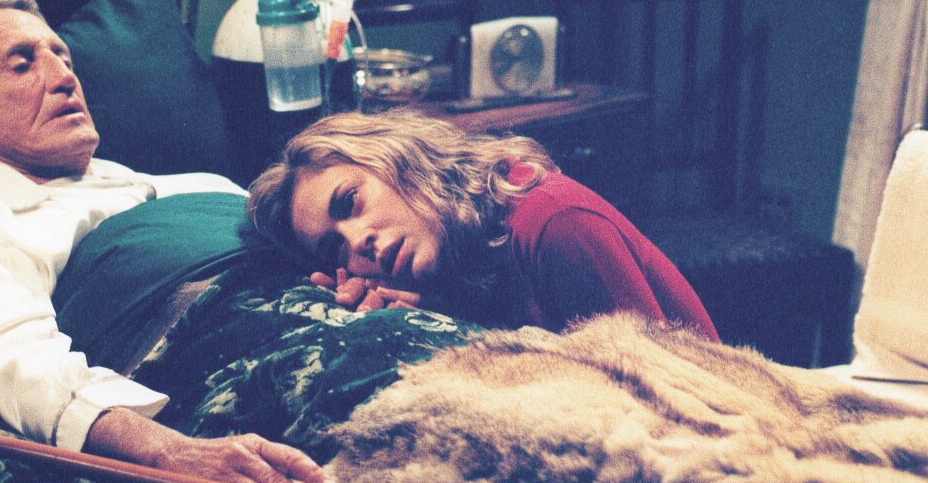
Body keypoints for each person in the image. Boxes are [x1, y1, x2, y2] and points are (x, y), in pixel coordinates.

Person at [0, 0, 325, 483]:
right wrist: (170, 452)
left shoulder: (197, 184)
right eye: (22, 65)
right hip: (260, 371)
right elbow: (21, 367)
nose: (63, 77)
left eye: (63, 58)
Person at [247, 108, 719, 340]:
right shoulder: (450, 262)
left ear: (397, 160)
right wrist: (432, 316)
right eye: (335, 249)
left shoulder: (552, 222)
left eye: (350, 202)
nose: (358, 242)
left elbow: (660, 402)